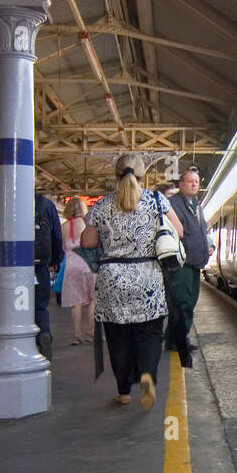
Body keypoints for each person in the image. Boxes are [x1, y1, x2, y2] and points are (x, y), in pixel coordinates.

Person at [80, 153, 184, 409]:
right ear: (142, 176)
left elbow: (87, 242)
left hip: (112, 280)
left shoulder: (102, 205)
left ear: (116, 176)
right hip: (148, 278)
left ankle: (124, 392)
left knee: (118, 339)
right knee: (149, 336)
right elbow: (179, 232)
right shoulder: (157, 201)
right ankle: (147, 376)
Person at [165, 167, 213, 356]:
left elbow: (203, 231)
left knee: (189, 302)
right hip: (181, 264)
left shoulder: (197, 206)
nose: (194, 184)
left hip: (195, 263)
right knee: (183, 302)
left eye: (197, 181)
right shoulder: (173, 204)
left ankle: (174, 339)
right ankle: (178, 340)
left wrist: (210, 247)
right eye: (190, 181)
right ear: (181, 184)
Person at [59, 197, 95, 345]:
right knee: (94, 299)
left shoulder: (64, 226)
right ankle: (91, 334)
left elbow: (62, 248)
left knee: (76, 302)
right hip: (89, 263)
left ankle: (76, 335)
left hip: (71, 265)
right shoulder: (87, 223)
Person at [33, 191, 64, 358]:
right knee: (40, 305)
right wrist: (55, 261)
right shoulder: (46, 205)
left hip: (12, 266)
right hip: (40, 265)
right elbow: (56, 236)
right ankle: (44, 332)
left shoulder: (6, 200)